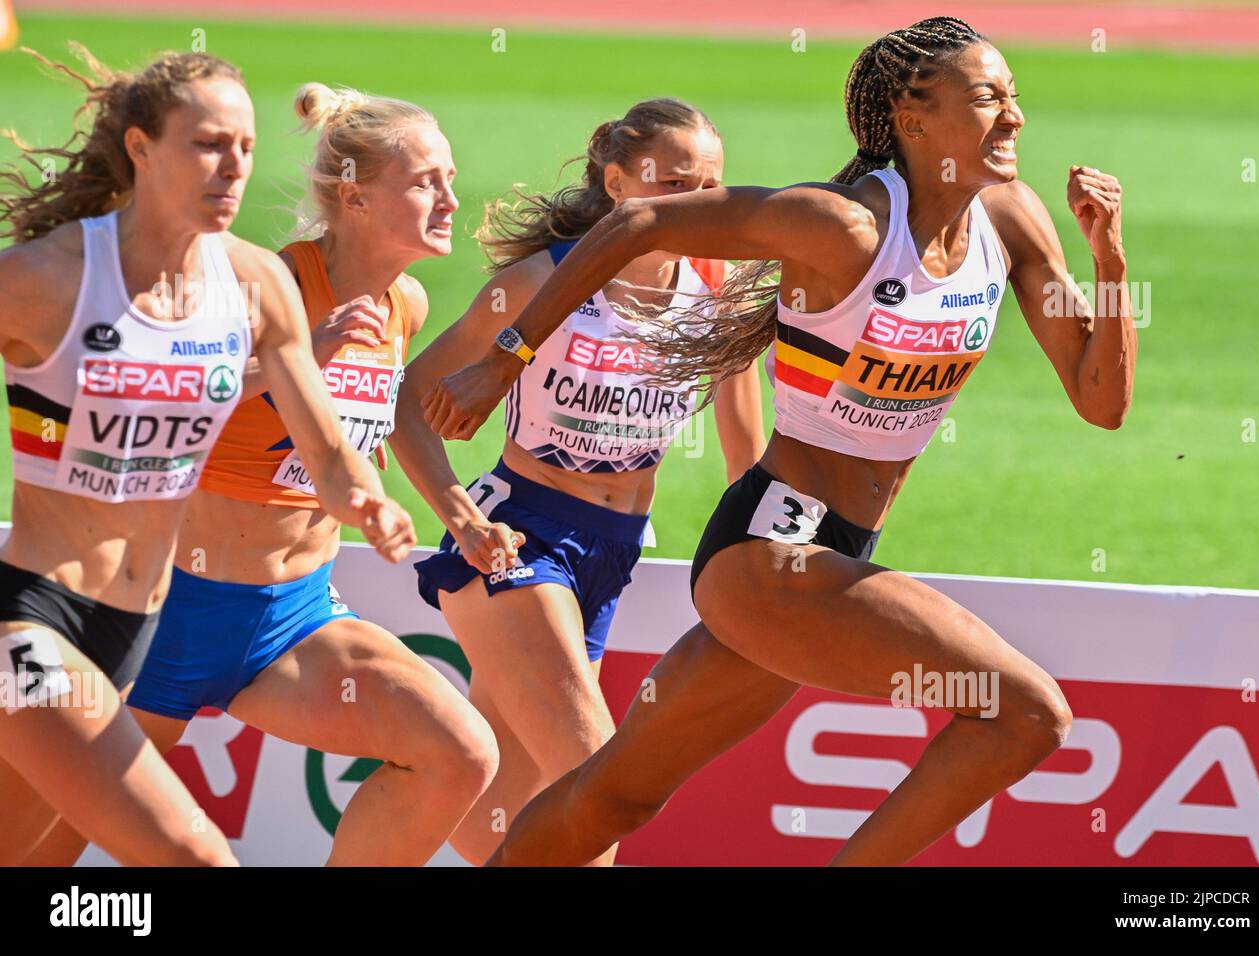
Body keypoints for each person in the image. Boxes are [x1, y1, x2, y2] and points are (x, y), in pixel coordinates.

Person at [425, 17, 1136, 866]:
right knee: (1024, 711)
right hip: (771, 552)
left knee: (615, 795)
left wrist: (1111, 264)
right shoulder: (840, 226)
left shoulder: (1011, 220)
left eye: (1013, 96)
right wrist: (503, 362)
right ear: (913, 120)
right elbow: (639, 223)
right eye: (988, 98)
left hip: (833, 556)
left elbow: (1102, 402)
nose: (1015, 116)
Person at [26, 82, 498, 867]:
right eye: (425, 182)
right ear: (356, 197)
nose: (451, 198)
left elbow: (392, 414)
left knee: (459, 754)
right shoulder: (262, 286)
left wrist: (456, 513)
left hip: (290, 619)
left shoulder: (404, 303)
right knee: (43, 847)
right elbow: (151, 416)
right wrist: (295, 365)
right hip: (168, 611)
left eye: (448, 177)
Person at [390, 98, 765, 865]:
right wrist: (461, 518)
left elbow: (744, 453)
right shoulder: (541, 281)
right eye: (675, 183)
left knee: (495, 813)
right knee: (596, 779)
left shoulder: (718, 289)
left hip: (613, 552)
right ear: (618, 181)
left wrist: (755, 569)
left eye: (713, 185)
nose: (698, 202)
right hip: (517, 540)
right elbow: (408, 401)